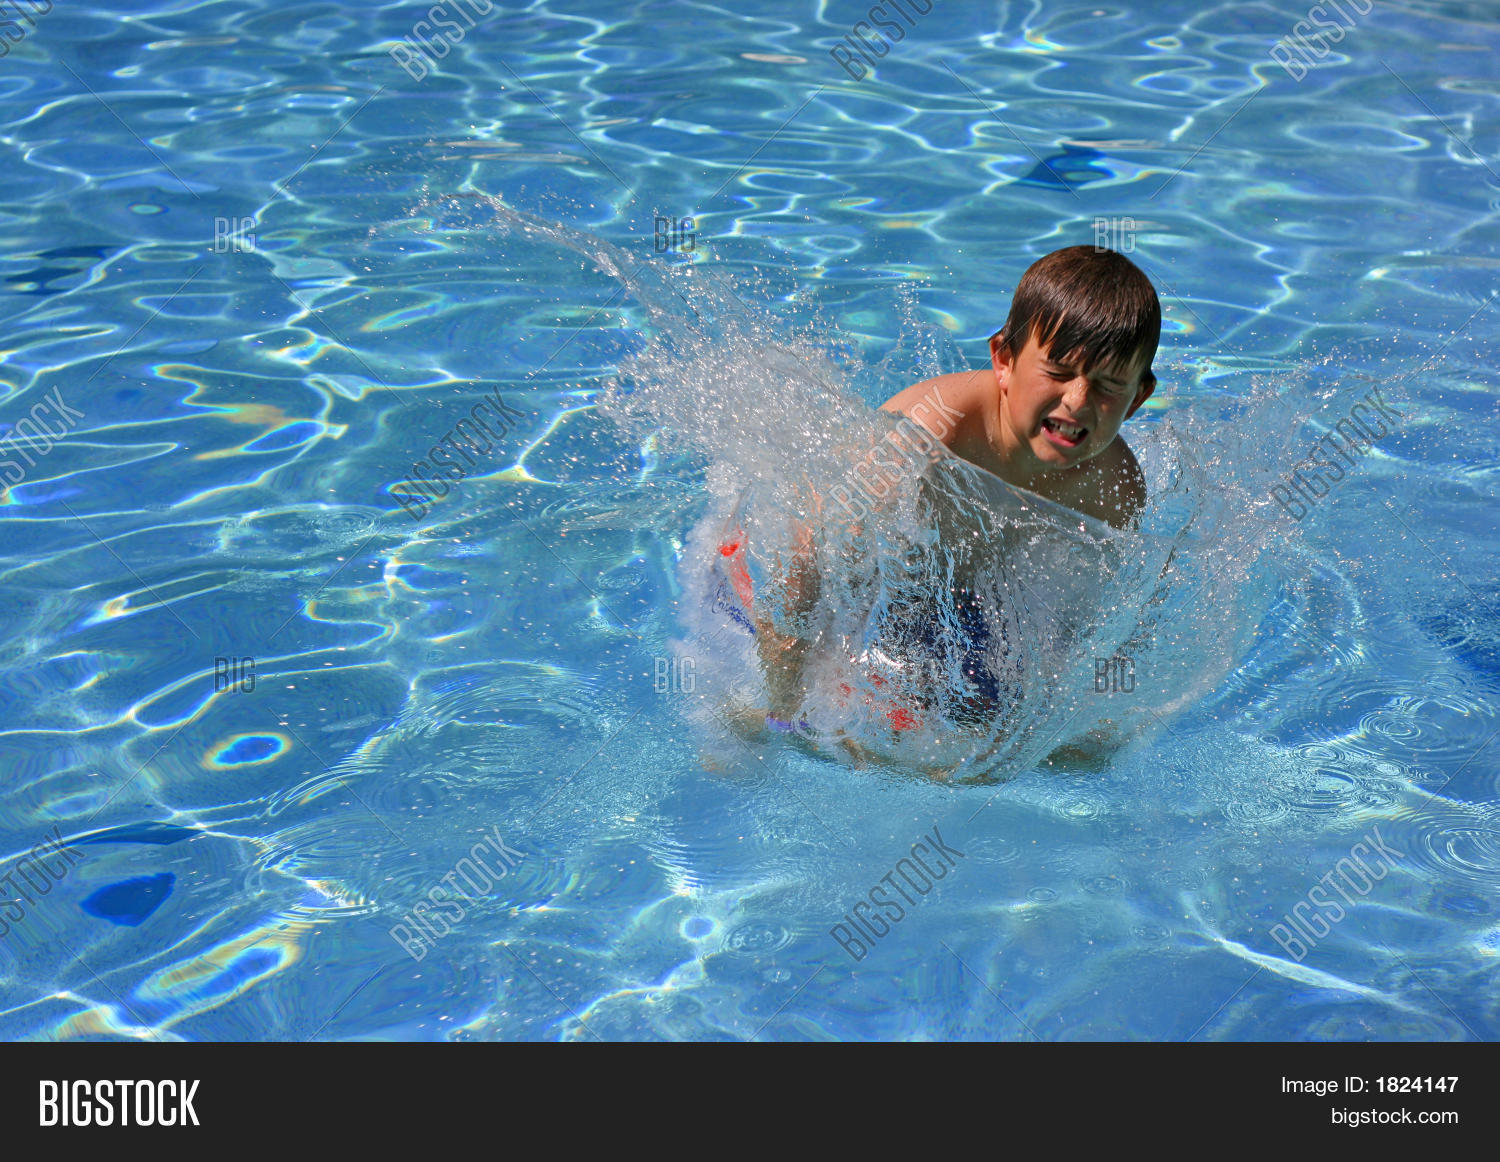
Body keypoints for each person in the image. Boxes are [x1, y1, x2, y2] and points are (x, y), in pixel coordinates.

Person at [727, 245, 1162, 741]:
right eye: (1058, 372)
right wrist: (782, 706)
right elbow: (814, 556)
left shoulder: (1113, 487)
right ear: (1004, 359)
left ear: (1137, 399)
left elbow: (1079, 621)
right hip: (827, 583)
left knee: (1079, 751)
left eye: (1109, 385)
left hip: (959, 605)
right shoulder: (928, 439)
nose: (1078, 401)